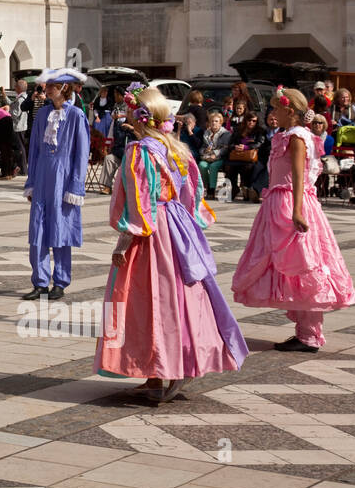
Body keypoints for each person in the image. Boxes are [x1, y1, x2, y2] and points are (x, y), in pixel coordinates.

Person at [97, 85, 248, 402]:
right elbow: (190, 194)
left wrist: (124, 241)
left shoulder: (139, 151)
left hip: (152, 231)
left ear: (139, 115)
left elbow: (141, 201)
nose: (122, 113)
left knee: (147, 299)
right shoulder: (175, 148)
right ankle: (166, 369)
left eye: (126, 108)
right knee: (178, 297)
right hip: (178, 228)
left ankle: (162, 371)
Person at [233, 88, 355, 352]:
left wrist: (297, 210)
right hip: (278, 203)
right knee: (289, 266)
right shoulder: (285, 135)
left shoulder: (298, 137)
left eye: (276, 109)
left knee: (303, 264)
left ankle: (310, 334)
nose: (272, 113)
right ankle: (304, 331)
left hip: (292, 202)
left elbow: (300, 176)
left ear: (289, 111)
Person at [22, 68, 90, 301]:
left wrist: (76, 186)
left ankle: (60, 281)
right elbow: (34, 150)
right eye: (47, 85)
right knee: (38, 230)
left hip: (64, 178)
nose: (47, 89)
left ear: (63, 88)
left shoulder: (76, 116)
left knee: (61, 230)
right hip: (42, 177)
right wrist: (31, 181)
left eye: (52, 85)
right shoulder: (42, 115)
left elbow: (81, 154)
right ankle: (40, 281)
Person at [224, 112, 267, 202]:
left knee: (247, 167)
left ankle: (245, 188)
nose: (251, 122)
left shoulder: (260, 131)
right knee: (228, 166)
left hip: (249, 156)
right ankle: (234, 187)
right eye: (249, 120)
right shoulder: (238, 130)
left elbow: (259, 143)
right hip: (237, 155)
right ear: (245, 121)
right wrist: (235, 146)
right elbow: (230, 143)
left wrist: (246, 147)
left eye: (254, 121)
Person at [99, 104, 136, 194]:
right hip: (120, 154)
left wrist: (132, 129)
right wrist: (116, 122)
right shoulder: (121, 124)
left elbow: (142, 137)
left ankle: (130, 188)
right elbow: (117, 139)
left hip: (133, 156)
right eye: (128, 112)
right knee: (109, 158)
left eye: (131, 113)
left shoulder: (138, 125)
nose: (129, 114)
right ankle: (107, 186)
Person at [197, 111, 231, 200]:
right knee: (202, 165)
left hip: (220, 157)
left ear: (220, 123)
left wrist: (215, 154)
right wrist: (205, 151)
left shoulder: (226, 133)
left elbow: (225, 148)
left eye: (216, 121)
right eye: (212, 121)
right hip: (207, 156)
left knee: (213, 166)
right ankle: (207, 185)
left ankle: (212, 190)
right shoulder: (206, 133)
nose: (213, 123)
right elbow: (202, 147)